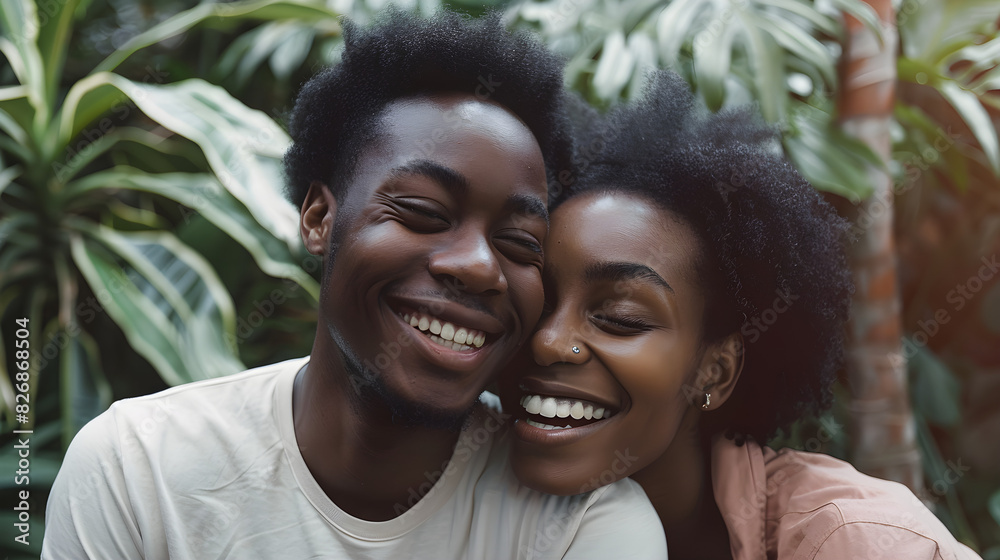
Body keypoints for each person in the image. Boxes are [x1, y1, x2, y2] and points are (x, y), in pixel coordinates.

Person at [41, 11, 667, 559]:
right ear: (320, 218)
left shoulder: (580, 526)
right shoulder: (139, 470)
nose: (480, 266)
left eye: (520, 244)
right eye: (423, 213)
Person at [500, 70, 982, 560]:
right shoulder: (462, 499)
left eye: (621, 318)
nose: (550, 341)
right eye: (540, 302)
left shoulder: (855, 540)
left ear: (717, 369)